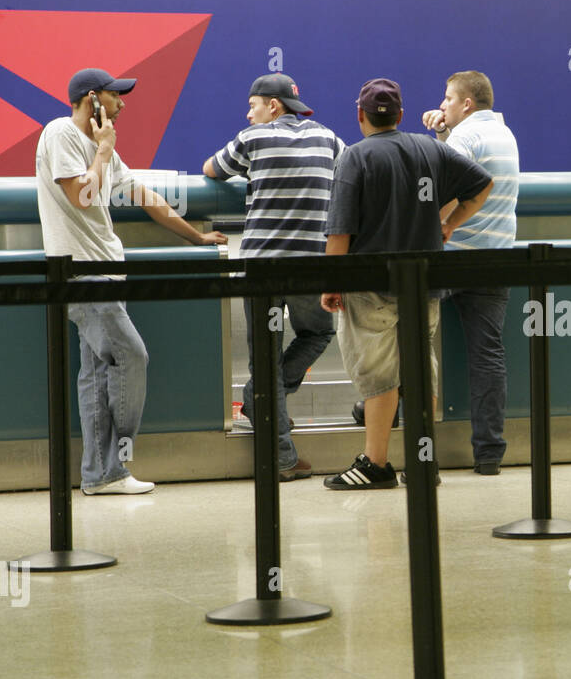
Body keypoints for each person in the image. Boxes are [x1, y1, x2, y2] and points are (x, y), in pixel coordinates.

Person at [36, 67, 226, 495]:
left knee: (97, 374)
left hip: (104, 272)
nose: (121, 104)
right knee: (133, 357)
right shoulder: (61, 134)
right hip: (84, 274)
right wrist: (103, 151)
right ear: (92, 99)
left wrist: (196, 236)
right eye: (115, 96)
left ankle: (97, 475)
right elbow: (81, 197)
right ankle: (116, 466)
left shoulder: (100, 148)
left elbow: (147, 198)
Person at [321, 78, 494, 489]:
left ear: (360, 115)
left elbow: (339, 234)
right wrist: (449, 223)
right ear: (399, 116)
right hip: (424, 284)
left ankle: (375, 464)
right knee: (420, 372)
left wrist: (331, 284)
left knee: (380, 376)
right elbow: (482, 184)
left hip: (370, 286)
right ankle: (424, 461)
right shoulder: (430, 148)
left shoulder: (355, 158)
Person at [203, 74, 345, 482]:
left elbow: (211, 169)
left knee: (263, 360)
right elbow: (351, 175)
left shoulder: (253, 138)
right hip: (311, 266)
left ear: (273, 107)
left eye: (253, 106)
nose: (249, 114)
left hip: (262, 268)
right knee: (318, 334)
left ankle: (269, 424)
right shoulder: (330, 139)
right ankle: (264, 400)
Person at [420, 70, 519, 475]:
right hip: (496, 258)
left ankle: (394, 425)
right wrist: (443, 135)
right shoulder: (504, 133)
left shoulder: (465, 138)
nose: (440, 106)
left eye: (446, 99)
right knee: (487, 356)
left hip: (451, 257)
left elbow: (444, 195)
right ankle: (489, 454)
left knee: (410, 344)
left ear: (466, 104)